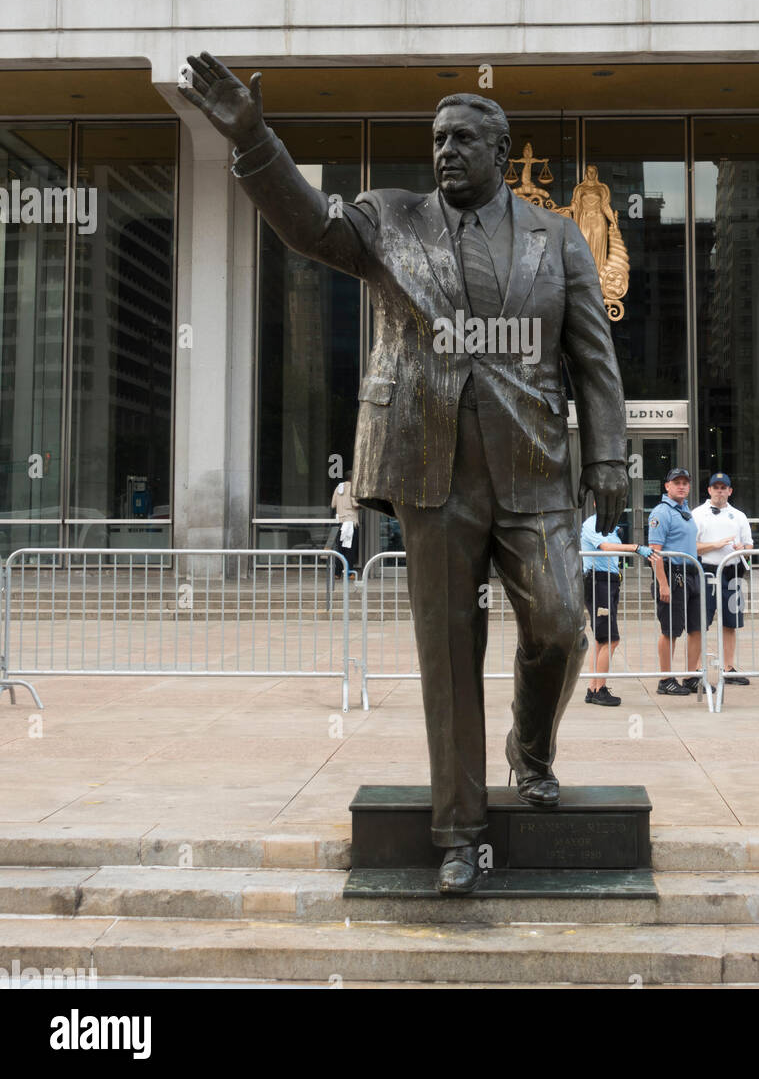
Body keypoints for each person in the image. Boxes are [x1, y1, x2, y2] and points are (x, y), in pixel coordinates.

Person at [180, 54, 628, 895]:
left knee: (562, 624)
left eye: (463, 139)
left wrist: (607, 453)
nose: (446, 152)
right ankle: (457, 832)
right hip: (431, 469)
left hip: (534, 469)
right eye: (437, 140)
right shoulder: (391, 219)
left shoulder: (556, 235)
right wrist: (253, 140)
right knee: (447, 654)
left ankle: (529, 748)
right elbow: (309, 227)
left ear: (501, 151)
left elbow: (593, 359)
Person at [579, 513, 653, 706]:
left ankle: (593, 687)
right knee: (610, 639)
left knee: (601, 640)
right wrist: (635, 548)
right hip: (598, 581)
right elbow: (605, 547)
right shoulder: (593, 523)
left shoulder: (610, 525)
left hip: (609, 582)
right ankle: (598, 689)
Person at [692, 472, 753, 686]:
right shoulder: (697, 514)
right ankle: (697, 669)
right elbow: (691, 546)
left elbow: (749, 546)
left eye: (723, 487)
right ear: (709, 490)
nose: (719, 491)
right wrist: (714, 545)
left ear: (730, 491)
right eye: (715, 487)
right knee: (701, 623)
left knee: (730, 623)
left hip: (731, 572)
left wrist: (741, 549)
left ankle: (728, 668)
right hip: (706, 571)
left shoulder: (739, 516)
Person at [648, 468, 704, 696]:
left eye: (685, 483)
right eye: (676, 482)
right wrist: (663, 583)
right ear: (667, 486)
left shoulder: (685, 511)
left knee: (696, 627)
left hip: (691, 574)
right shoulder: (661, 512)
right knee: (670, 629)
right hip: (673, 574)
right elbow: (655, 552)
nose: (681, 486)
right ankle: (666, 678)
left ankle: (691, 676)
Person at [330, 470, 360, 576]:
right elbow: (355, 504)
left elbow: (333, 504)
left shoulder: (338, 488)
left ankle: (337, 573)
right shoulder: (353, 488)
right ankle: (349, 573)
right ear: (352, 478)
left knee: (340, 549)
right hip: (351, 522)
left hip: (340, 523)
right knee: (350, 549)